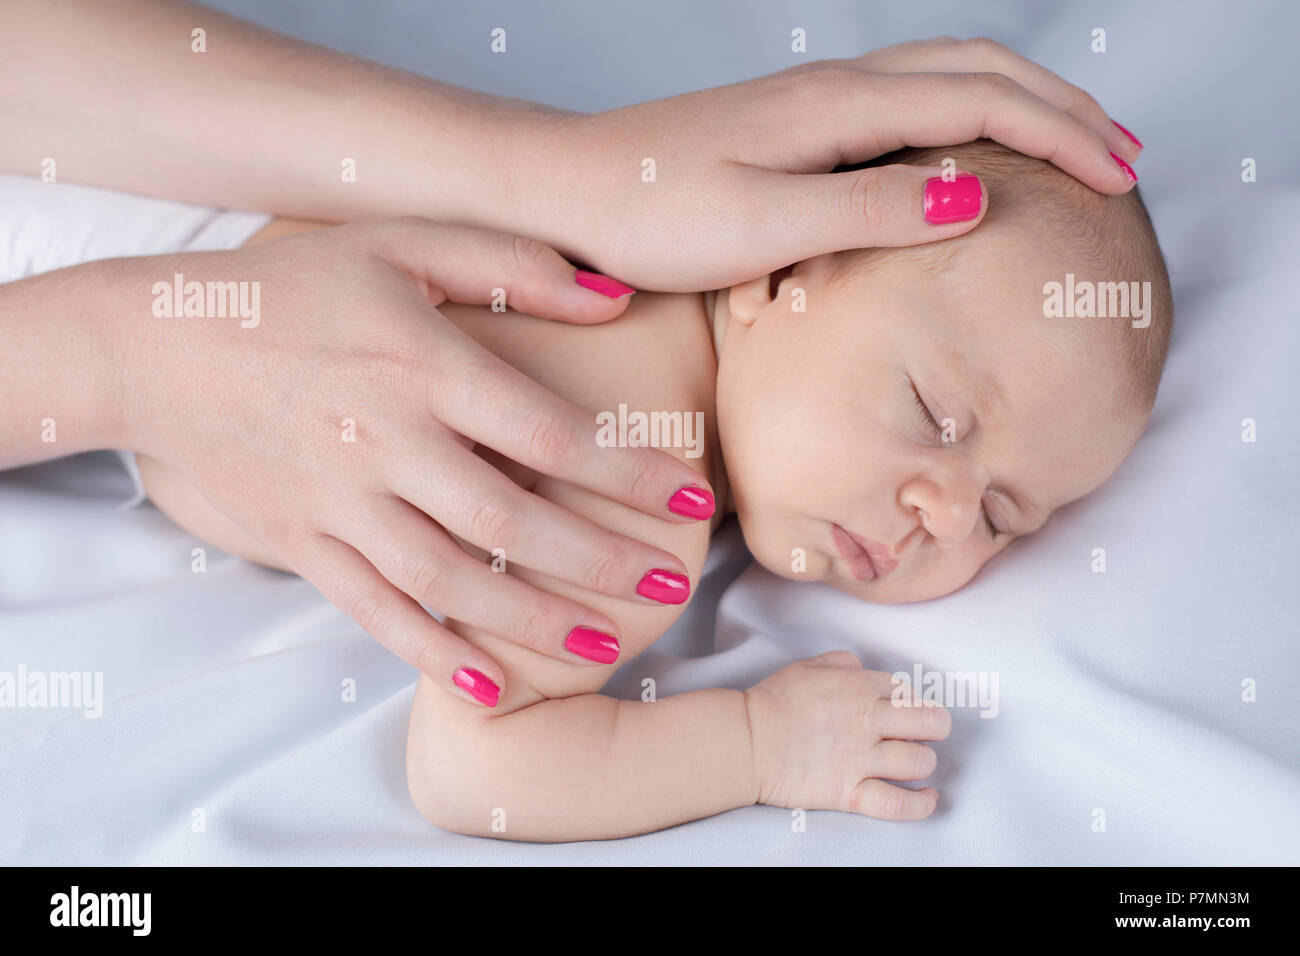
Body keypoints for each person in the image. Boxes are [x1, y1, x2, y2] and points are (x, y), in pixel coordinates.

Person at [0, 2, 1142, 703]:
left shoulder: (628, 252)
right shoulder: (639, 500)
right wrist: (758, 747)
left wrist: (561, 170)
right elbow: (479, 763)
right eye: (936, 415)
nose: (945, 512)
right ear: (779, 276)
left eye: (1003, 515)